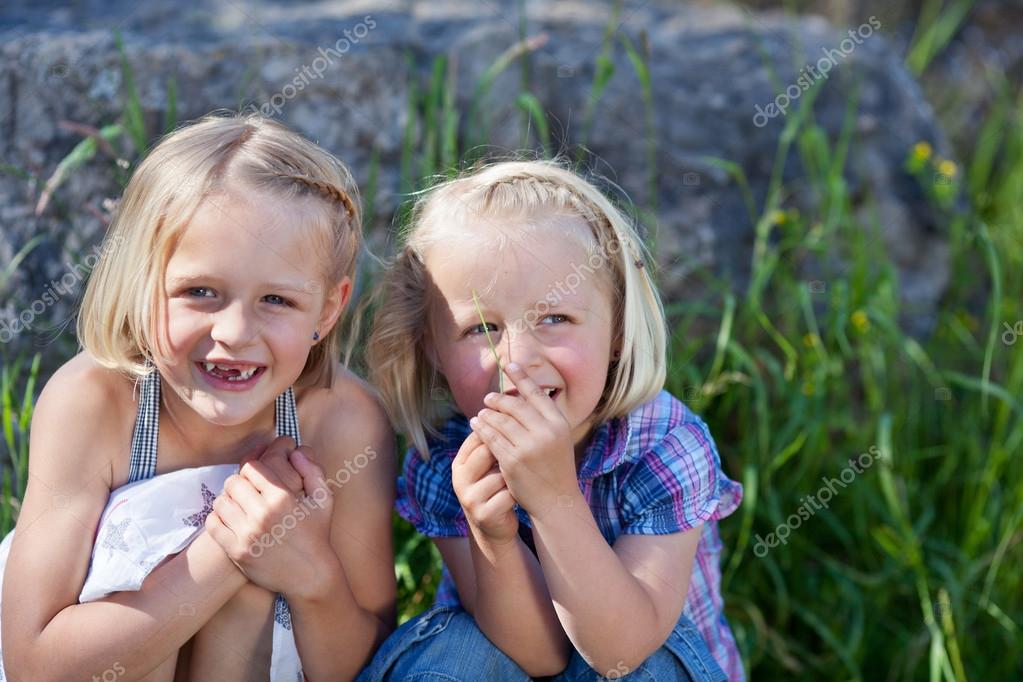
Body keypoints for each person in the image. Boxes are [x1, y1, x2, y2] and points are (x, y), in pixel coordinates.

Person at [0, 113, 395, 681]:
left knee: (254, 591)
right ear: (141, 284)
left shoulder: (343, 423)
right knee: (151, 539)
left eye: (276, 300)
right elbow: (35, 667)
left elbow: (367, 669)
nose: (235, 333)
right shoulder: (93, 404)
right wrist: (226, 552)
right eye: (200, 291)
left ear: (328, 309)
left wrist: (312, 576)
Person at [362, 160, 744, 680]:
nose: (517, 360)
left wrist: (553, 499)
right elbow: (538, 657)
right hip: (518, 657)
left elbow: (621, 654)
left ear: (617, 332)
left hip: (638, 659)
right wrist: (492, 536)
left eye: (554, 318)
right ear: (433, 349)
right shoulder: (446, 462)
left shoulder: (665, 447)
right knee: (455, 648)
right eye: (481, 328)